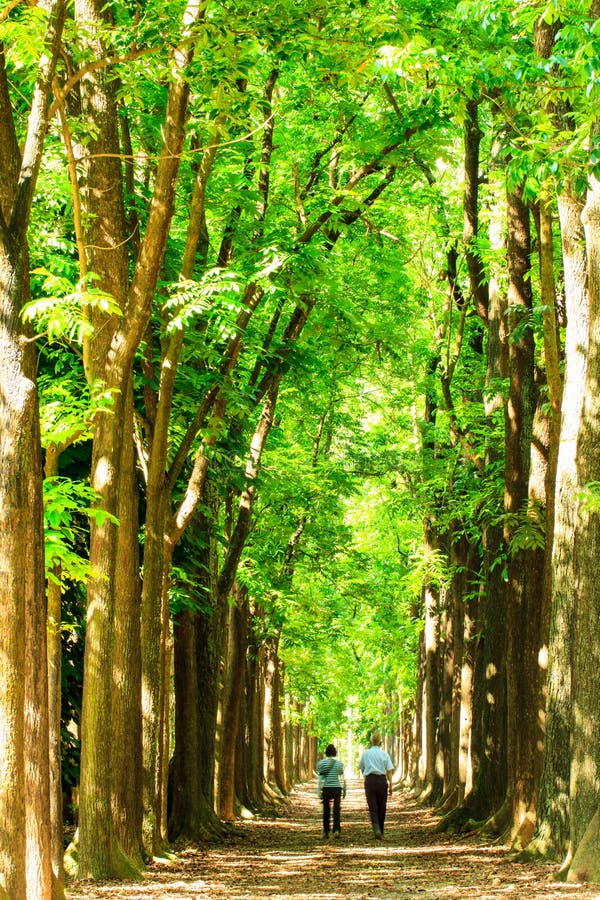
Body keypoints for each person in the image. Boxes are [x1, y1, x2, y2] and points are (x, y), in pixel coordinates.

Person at [358, 731, 394, 838]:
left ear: (370, 742)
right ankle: (381, 830)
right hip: (382, 781)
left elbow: (362, 767)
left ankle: (376, 827)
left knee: (372, 806)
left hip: (370, 781)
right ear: (380, 743)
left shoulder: (365, 753)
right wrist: (391, 785)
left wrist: (366, 776)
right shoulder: (384, 754)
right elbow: (389, 771)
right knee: (382, 806)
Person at [317, 743, 346, 839]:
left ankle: (326, 831)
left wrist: (318, 790)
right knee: (336, 810)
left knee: (326, 810)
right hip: (337, 788)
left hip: (326, 788)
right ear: (335, 753)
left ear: (326, 752)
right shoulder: (339, 764)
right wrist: (344, 789)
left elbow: (320, 778)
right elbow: (342, 778)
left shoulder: (321, 763)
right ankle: (336, 830)